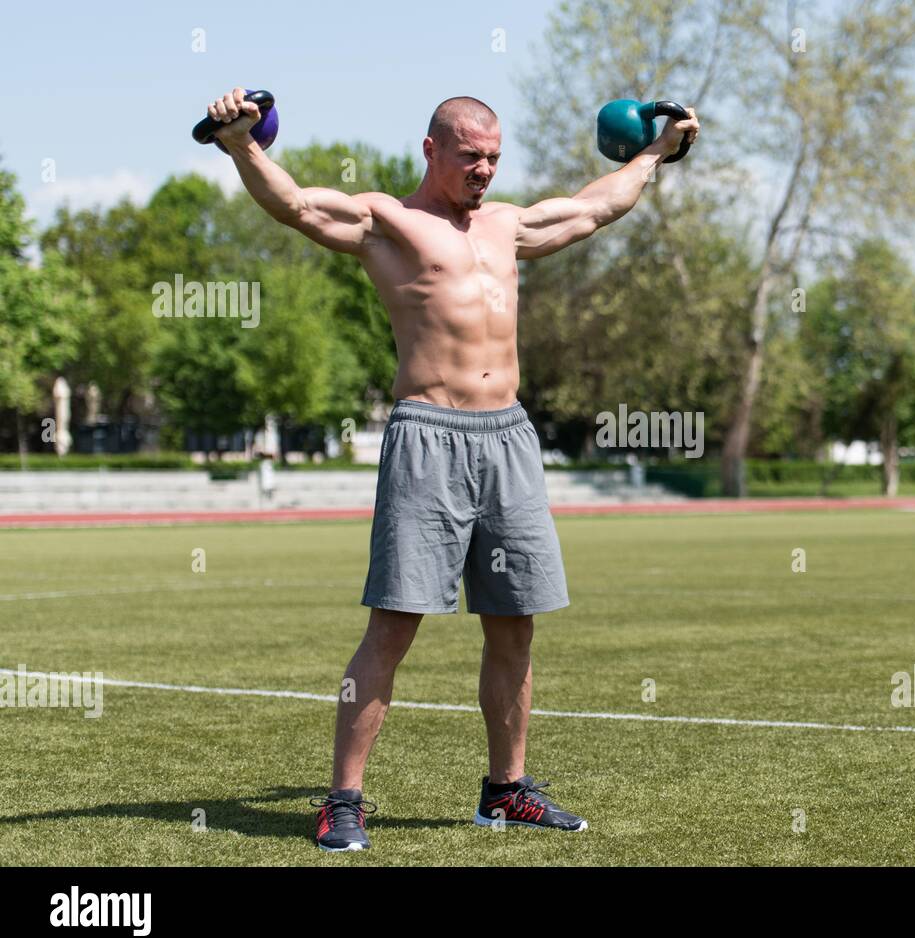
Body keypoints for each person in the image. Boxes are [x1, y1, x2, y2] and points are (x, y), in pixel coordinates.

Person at [204, 87, 699, 851]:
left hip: (508, 437)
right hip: (428, 436)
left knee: (515, 625)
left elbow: (594, 208)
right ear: (431, 150)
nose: (485, 171)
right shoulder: (387, 222)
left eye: (495, 157)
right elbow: (298, 206)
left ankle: (505, 791)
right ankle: (343, 800)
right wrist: (243, 144)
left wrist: (653, 154)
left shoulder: (506, 225)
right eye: (471, 156)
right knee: (394, 626)